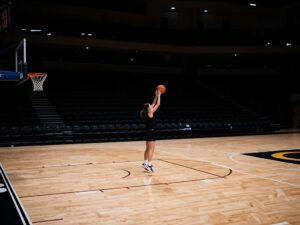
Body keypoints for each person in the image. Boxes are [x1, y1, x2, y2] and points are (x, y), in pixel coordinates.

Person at [140, 88, 162, 173]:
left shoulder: (146, 112)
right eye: (150, 105)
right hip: (151, 132)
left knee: (147, 148)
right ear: (149, 108)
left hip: (147, 132)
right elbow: (157, 104)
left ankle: (145, 162)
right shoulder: (150, 112)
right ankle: (149, 165)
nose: (151, 105)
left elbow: (153, 103)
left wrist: (156, 95)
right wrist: (159, 95)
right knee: (151, 149)